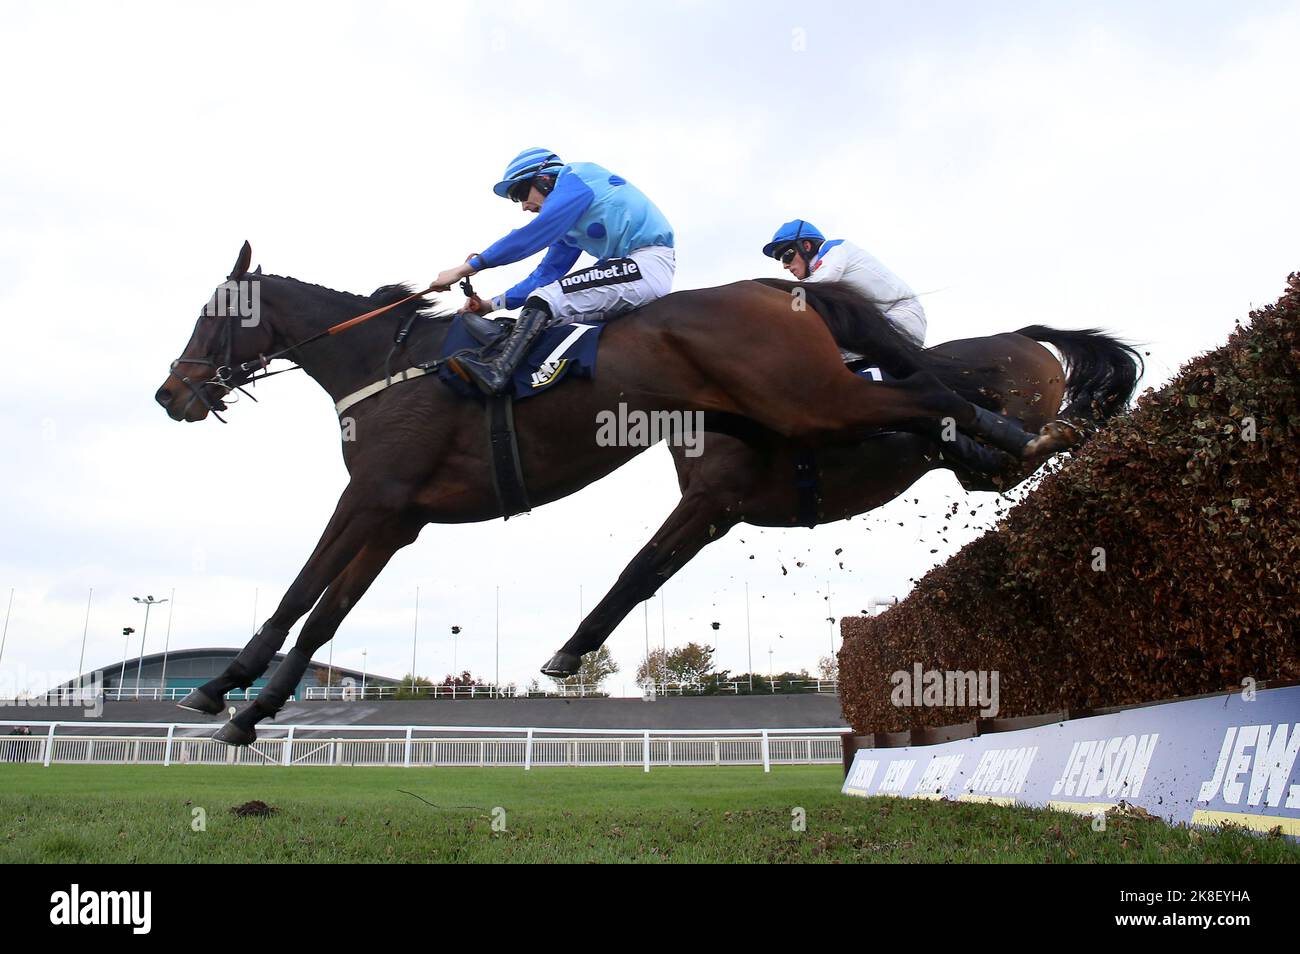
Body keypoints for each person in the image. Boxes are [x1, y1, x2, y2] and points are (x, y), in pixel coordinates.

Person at [431, 148, 676, 395]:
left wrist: (465, 269)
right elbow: (545, 274)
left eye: (520, 193)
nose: (524, 207)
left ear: (545, 179)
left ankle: (497, 373)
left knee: (545, 299)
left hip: (646, 264)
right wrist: (490, 305)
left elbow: (532, 234)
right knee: (548, 316)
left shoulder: (577, 176)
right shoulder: (568, 227)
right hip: (629, 271)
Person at [763, 219, 927, 347]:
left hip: (902, 316)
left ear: (806, 246)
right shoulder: (817, 270)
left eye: (786, 256)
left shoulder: (834, 249)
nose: (785, 265)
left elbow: (812, 290)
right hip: (882, 319)